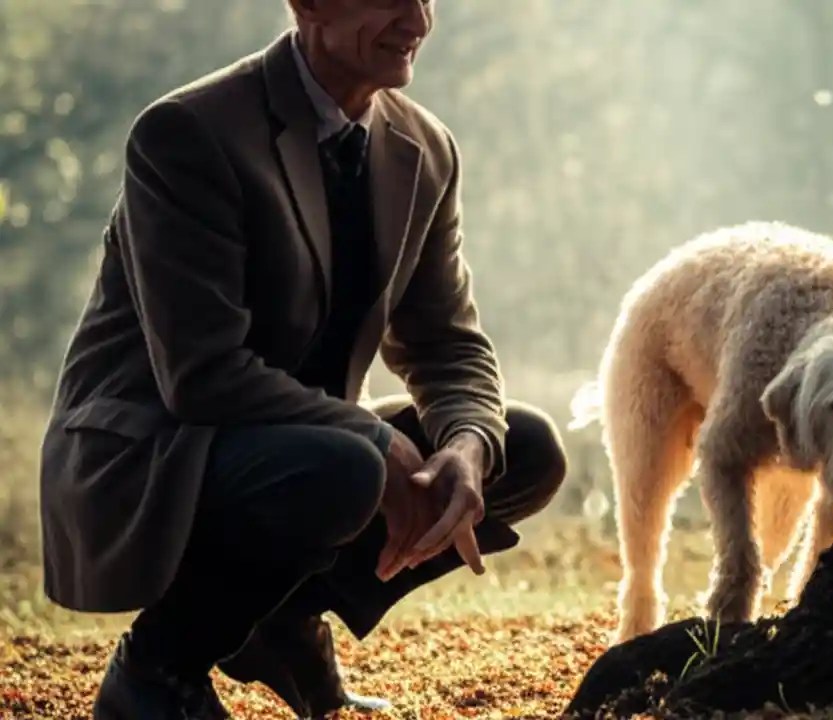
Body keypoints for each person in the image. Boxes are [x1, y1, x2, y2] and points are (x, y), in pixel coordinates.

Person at [37, 0, 567, 717]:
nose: (417, 20)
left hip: (307, 454)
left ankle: (275, 618)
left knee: (523, 446)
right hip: (154, 454)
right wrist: (377, 442)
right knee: (345, 466)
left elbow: (446, 342)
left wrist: (468, 447)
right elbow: (203, 375)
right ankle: (158, 669)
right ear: (310, 3)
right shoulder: (187, 132)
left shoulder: (426, 148)